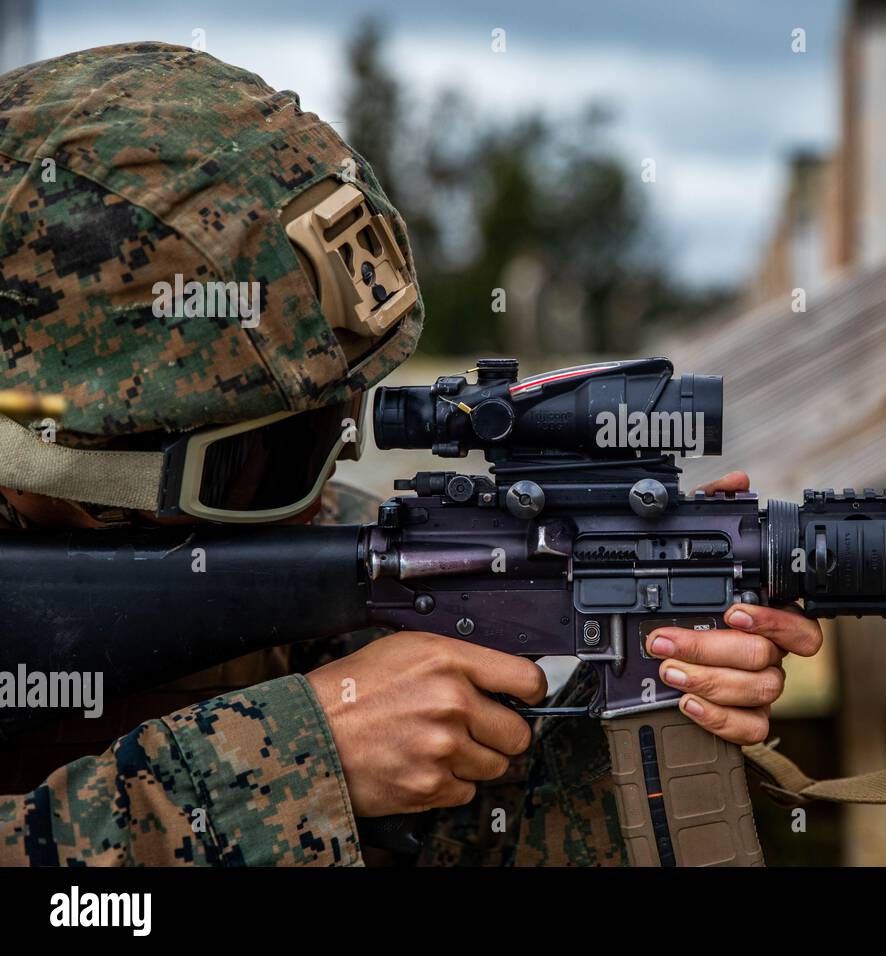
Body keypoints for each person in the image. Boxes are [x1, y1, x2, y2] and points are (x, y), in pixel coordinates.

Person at [0, 42, 823, 866]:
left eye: (342, 419)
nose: (323, 488)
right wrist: (279, 770)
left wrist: (617, 735)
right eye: (272, 456)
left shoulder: (339, 573)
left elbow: (455, 851)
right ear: (51, 449)